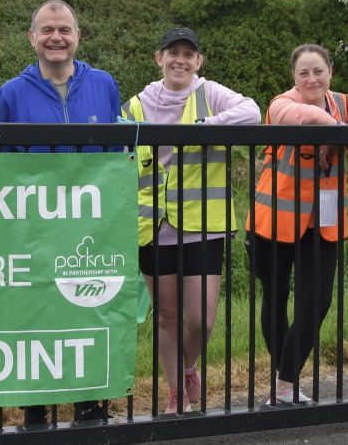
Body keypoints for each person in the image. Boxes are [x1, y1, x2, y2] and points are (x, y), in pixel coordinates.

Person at [0, 0, 120, 426]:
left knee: (90, 310)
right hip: (34, 231)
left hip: (90, 230)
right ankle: (36, 406)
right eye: (46, 30)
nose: (55, 37)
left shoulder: (104, 84)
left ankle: (89, 401)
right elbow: (2, 171)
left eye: (64, 29)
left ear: (77, 36)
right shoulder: (10, 94)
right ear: (32, 38)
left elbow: (116, 157)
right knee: (35, 316)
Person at [248, 44, 348, 404]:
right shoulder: (280, 103)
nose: (312, 78)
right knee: (275, 299)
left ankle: (283, 384)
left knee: (318, 303)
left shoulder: (343, 102)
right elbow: (306, 119)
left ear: (330, 71)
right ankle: (285, 387)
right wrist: (340, 132)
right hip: (274, 221)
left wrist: (346, 129)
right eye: (304, 73)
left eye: (319, 71)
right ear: (294, 79)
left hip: (323, 222)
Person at [120, 28, 260, 413]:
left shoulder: (210, 94)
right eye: (172, 52)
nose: (180, 60)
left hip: (203, 225)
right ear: (158, 58)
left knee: (201, 319)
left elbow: (252, 112)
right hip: (152, 226)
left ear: (198, 62)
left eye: (188, 54)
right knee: (166, 315)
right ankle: (175, 390)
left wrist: (202, 129)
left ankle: (189, 366)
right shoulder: (136, 105)